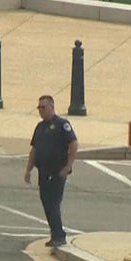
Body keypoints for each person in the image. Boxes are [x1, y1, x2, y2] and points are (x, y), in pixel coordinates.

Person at [24, 95, 78, 247]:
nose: (40, 110)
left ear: (52, 107)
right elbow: (34, 149)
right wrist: (28, 169)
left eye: (43, 107)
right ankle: (54, 234)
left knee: (53, 203)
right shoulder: (40, 127)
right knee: (46, 203)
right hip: (43, 171)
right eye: (39, 107)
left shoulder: (62, 124)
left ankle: (59, 235)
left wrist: (68, 166)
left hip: (57, 172)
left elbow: (73, 144)